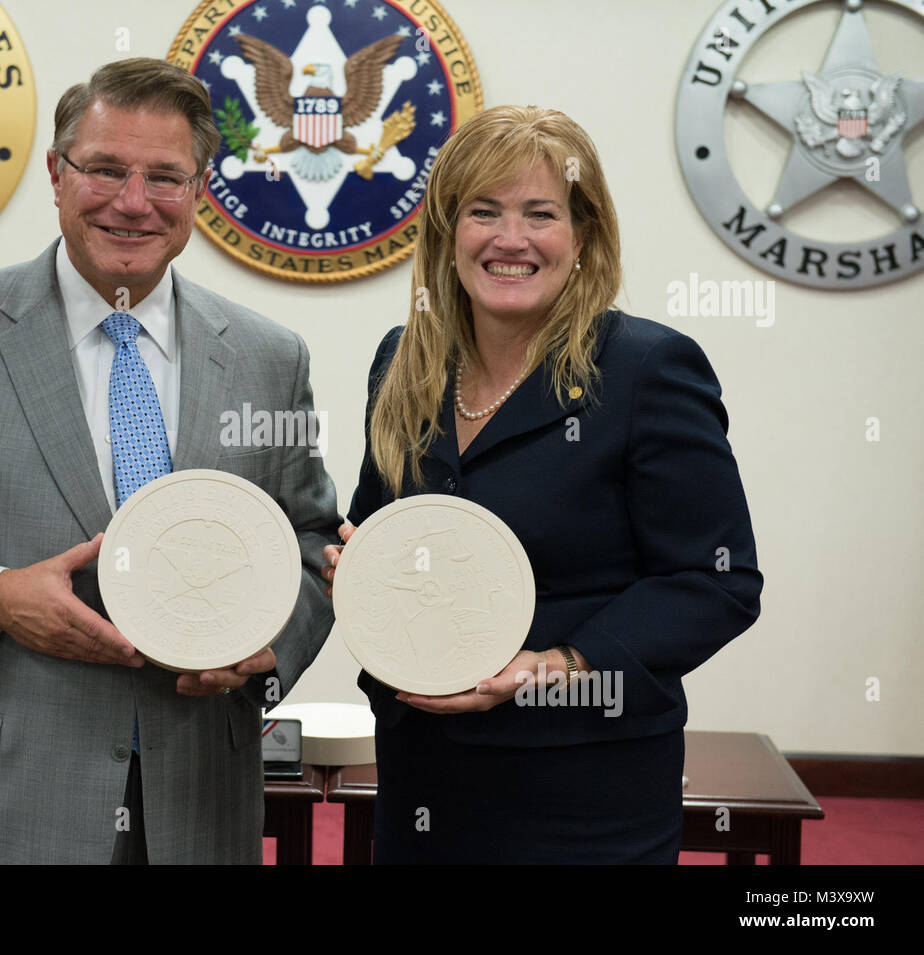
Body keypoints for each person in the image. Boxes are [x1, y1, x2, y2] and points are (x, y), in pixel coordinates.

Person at [0, 58, 339, 864]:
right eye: (106, 169)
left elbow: (311, 544)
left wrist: (270, 645)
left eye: (164, 177)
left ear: (200, 191)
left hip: (195, 802)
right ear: (55, 173)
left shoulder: (267, 357)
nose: (133, 202)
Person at [321, 105, 763, 864]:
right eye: (483, 212)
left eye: (541, 214)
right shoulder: (403, 362)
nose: (510, 239)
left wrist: (552, 669)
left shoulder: (647, 370)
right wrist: (357, 565)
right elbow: (377, 522)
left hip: (584, 785)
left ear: (582, 236)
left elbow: (716, 582)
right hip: (421, 770)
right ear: (446, 233)